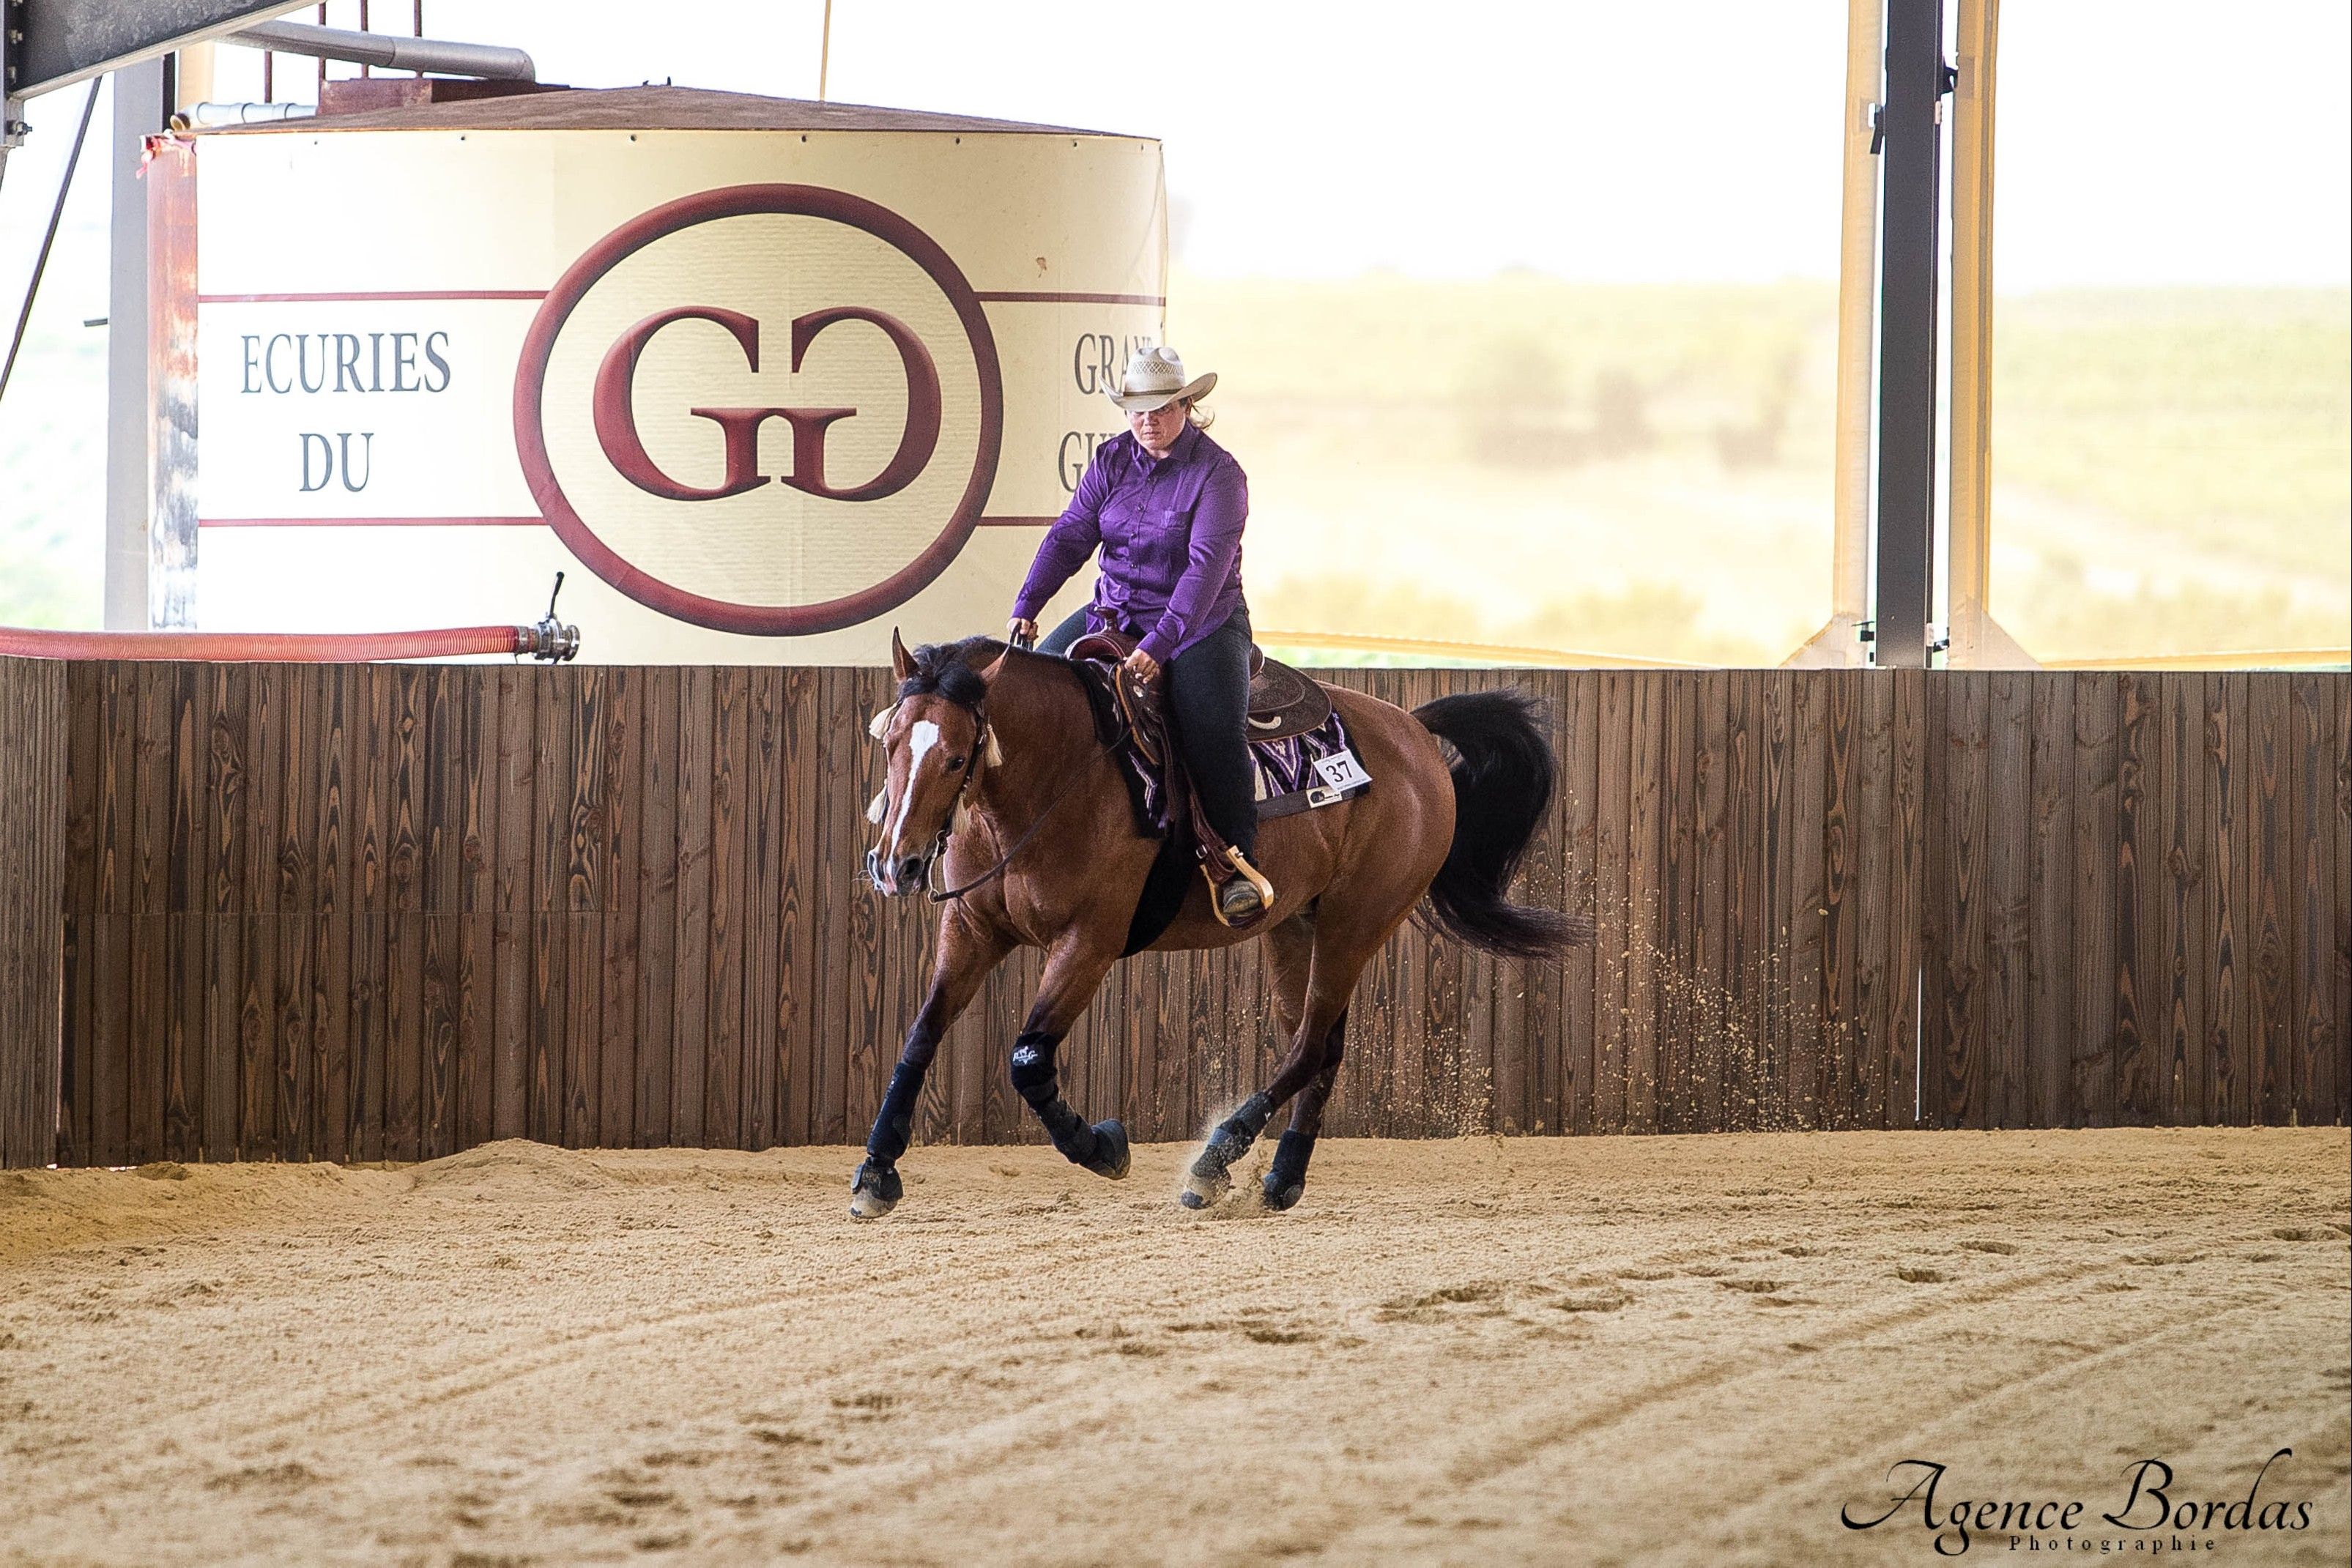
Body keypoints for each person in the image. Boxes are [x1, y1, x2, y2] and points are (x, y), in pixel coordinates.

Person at [1007, 345, 1271, 926]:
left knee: (1211, 728)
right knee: (1030, 691)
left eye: (1160, 408)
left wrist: (1160, 643)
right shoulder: (1111, 460)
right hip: (1114, 612)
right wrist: (1028, 604)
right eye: (1136, 409)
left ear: (1186, 406)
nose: (1147, 420)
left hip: (1201, 624)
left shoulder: (1219, 475)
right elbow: (1070, 535)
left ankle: (1235, 864)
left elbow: (1204, 569)